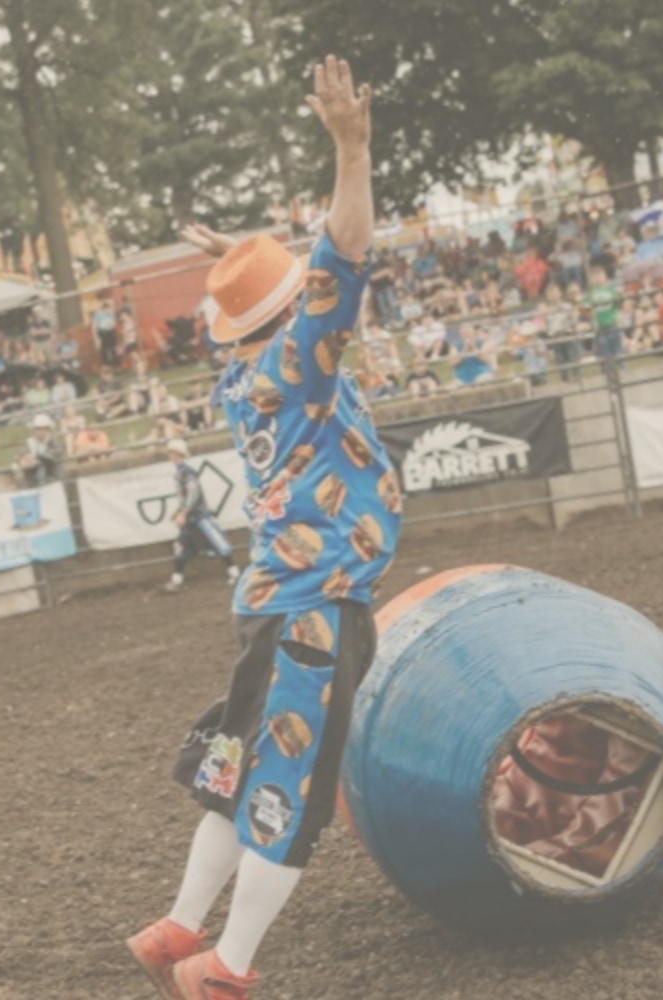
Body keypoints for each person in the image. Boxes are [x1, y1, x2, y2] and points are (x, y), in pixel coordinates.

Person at [126, 56, 395, 1000]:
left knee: (241, 777)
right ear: (296, 312)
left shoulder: (245, 375)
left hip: (271, 605)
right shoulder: (303, 360)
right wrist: (351, 151)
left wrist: (234, 259)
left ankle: (178, 928)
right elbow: (346, 253)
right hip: (318, 608)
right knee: (291, 796)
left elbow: (279, 292)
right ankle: (227, 971)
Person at [164, 436, 239, 593]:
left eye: (172, 453)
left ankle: (234, 572)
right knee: (181, 546)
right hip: (192, 517)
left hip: (198, 516)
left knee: (218, 542)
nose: (170, 456)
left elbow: (193, 494)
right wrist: (178, 511)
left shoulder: (186, 473)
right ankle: (177, 578)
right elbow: (187, 495)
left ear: (177, 454)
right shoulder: (182, 473)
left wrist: (183, 512)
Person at [14, 412, 63, 488]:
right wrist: (22, 460)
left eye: (41, 428)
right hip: (33, 480)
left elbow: (55, 455)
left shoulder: (53, 440)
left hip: (52, 478)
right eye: (37, 428)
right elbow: (19, 455)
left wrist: (36, 457)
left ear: (47, 429)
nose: (39, 431)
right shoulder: (30, 442)